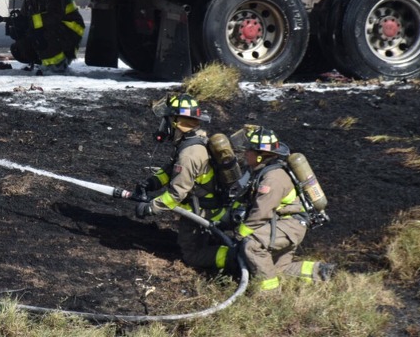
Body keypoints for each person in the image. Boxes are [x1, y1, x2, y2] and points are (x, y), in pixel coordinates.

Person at [229, 126, 336, 291]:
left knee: (252, 245)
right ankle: (321, 272)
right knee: (276, 268)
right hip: (285, 225)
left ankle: (270, 294)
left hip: (288, 226)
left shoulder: (273, 178)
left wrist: (239, 234)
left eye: (249, 151)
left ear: (259, 156)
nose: (245, 154)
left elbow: (260, 214)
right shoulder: (259, 171)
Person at [135, 93, 233, 272]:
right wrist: (152, 183)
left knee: (192, 256)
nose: (162, 126)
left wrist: (151, 208)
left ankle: (234, 257)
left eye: (166, 120)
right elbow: (171, 170)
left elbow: (176, 194)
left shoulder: (189, 154)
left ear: (175, 122)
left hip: (203, 213)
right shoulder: (191, 141)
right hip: (206, 207)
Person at [6, 0, 85, 74]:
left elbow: (54, 16)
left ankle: (57, 66)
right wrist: (18, 28)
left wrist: (29, 22)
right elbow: (26, 17)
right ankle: (44, 63)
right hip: (52, 29)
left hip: (70, 29)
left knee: (41, 36)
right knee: (20, 47)